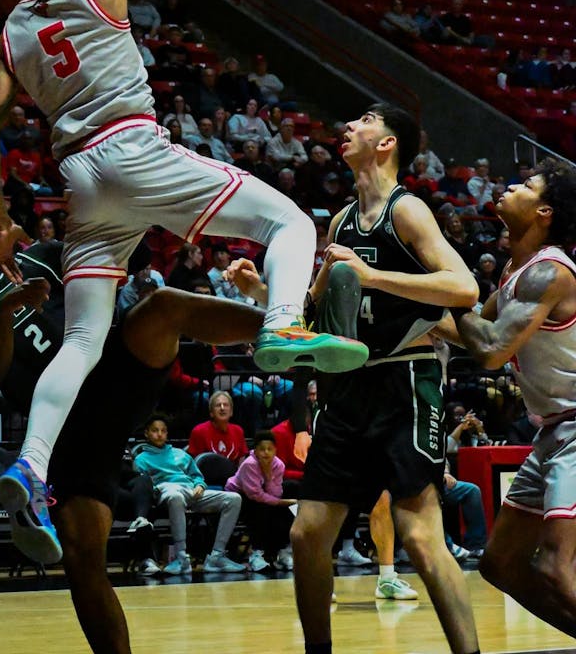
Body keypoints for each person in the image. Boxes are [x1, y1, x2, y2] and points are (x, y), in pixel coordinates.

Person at [0, 0, 366, 566]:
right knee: (291, 223)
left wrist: (0, 214)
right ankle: (282, 325)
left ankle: (29, 466)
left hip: (81, 177)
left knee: (83, 343)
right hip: (130, 146)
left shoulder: (9, 35)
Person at [0, 199, 270, 652]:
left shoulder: (42, 255)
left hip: (112, 374)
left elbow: (130, 259)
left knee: (165, 304)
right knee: (82, 559)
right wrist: (6, 312)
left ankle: (284, 325)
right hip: (65, 430)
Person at [231, 102, 481, 654]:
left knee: (419, 536)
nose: (350, 126)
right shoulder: (341, 221)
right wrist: (260, 295)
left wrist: (371, 275)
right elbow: (314, 314)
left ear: (387, 144)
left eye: (365, 120)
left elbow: (464, 289)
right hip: (346, 390)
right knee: (307, 533)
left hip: (402, 383)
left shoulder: (408, 211)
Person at [443, 159, 576, 639]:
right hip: (552, 431)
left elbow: (493, 350)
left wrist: (452, 291)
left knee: (554, 568)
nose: (510, 186)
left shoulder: (550, 273)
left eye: (526, 185)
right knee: (500, 565)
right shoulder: (512, 273)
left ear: (544, 212)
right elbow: (470, 333)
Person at [132, 413, 246, 575]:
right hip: (166, 490)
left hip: (190, 491)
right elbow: (143, 486)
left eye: (163, 431)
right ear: (147, 433)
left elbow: (196, 475)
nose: (159, 434)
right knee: (176, 496)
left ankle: (216, 556)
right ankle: (181, 557)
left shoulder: (180, 453)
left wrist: (200, 484)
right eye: (155, 430)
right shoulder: (141, 459)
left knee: (234, 499)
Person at [225, 430, 296, 571]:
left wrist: (268, 474)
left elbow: (275, 494)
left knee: (286, 504)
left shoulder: (278, 465)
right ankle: (256, 554)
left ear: (275, 450)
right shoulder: (249, 464)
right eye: (262, 449)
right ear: (255, 451)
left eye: (270, 449)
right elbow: (255, 495)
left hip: (263, 496)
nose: (266, 453)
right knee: (260, 507)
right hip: (239, 496)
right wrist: (282, 502)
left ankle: (282, 552)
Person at [187, 390, 248, 462]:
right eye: (218, 405)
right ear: (211, 413)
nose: (222, 408)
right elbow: (194, 464)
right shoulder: (199, 431)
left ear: (231, 412)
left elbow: (242, 460)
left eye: (225, 405)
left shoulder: (238, 431)